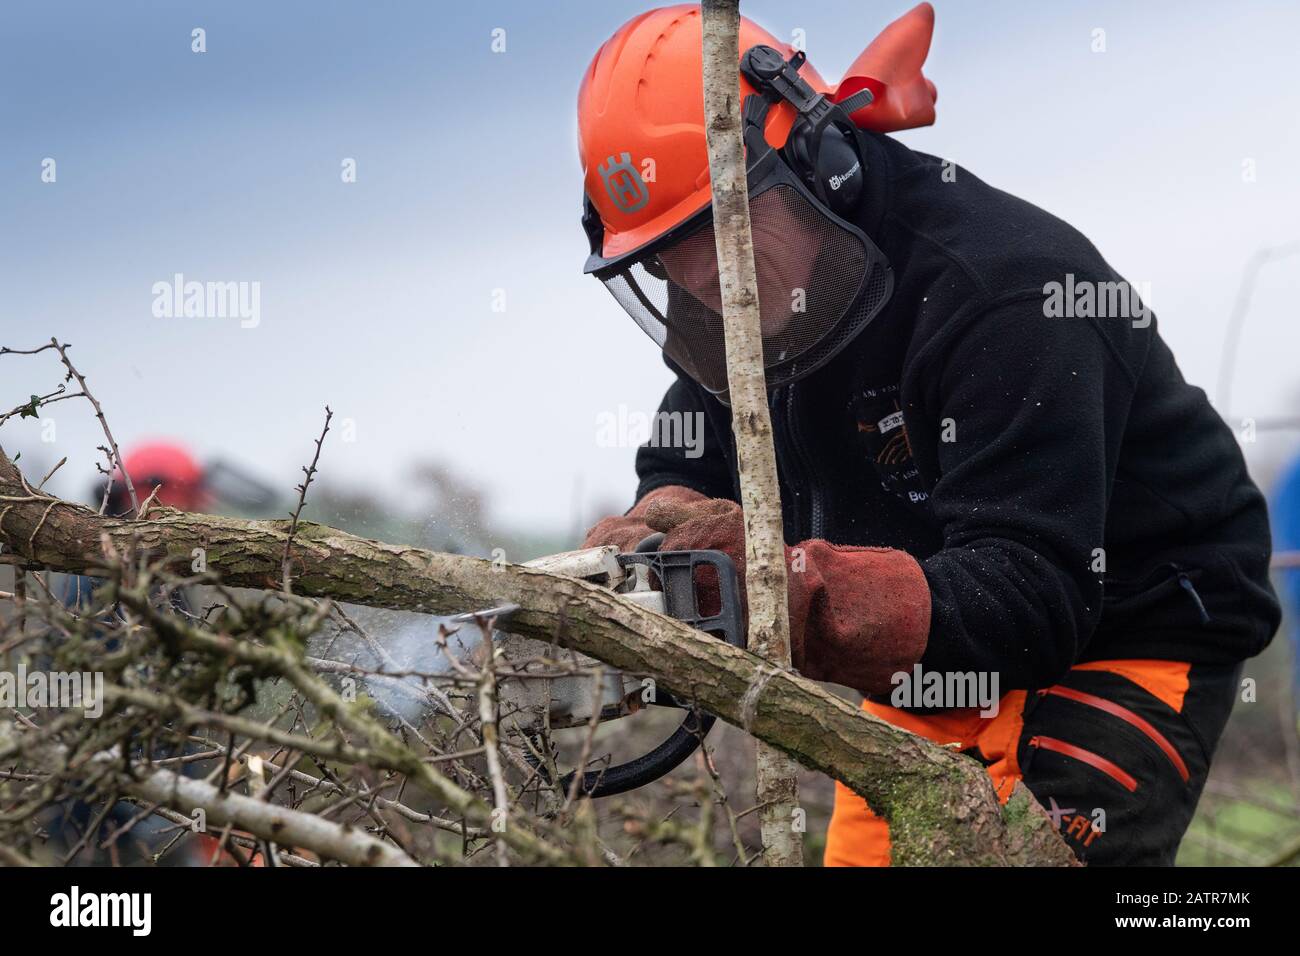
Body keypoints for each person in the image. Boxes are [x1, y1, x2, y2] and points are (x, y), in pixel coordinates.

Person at [576, 3, 1280, 865]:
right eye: (667, 259)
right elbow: (683, 455)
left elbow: (1034, 598)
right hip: (937, 628)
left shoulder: (1007, 293)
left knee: (1029, 859)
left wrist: (790, 590)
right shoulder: (749, 298)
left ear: (816, 164)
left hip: (1127, 619)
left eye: (722, 243)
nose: (709, 290)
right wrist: (664, 527)